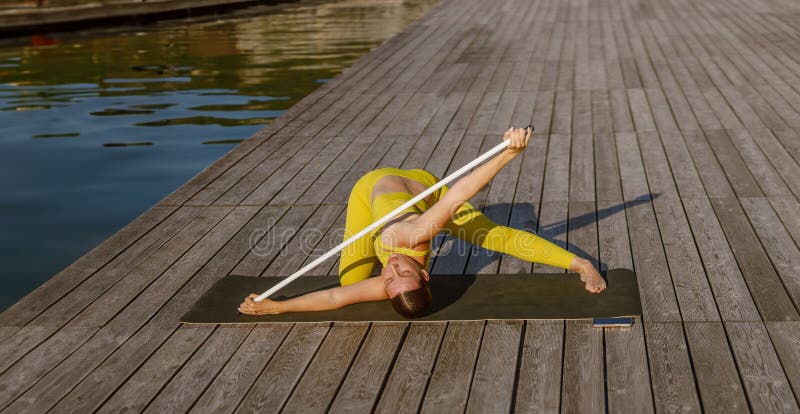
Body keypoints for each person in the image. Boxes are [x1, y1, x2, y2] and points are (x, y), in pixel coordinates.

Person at [238, 126, 606, 317]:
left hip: (388, 194)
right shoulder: (416, 235)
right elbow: (461, 191)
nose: (392, 269)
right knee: (492, 235)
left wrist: (277, 307)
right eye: (404, 273)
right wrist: (510, 153)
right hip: (413, 190)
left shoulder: (389, 282)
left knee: (350, 281)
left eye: (389, 279)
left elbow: (335, 297)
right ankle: (580, 264)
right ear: (424, 274)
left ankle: (579, 264)